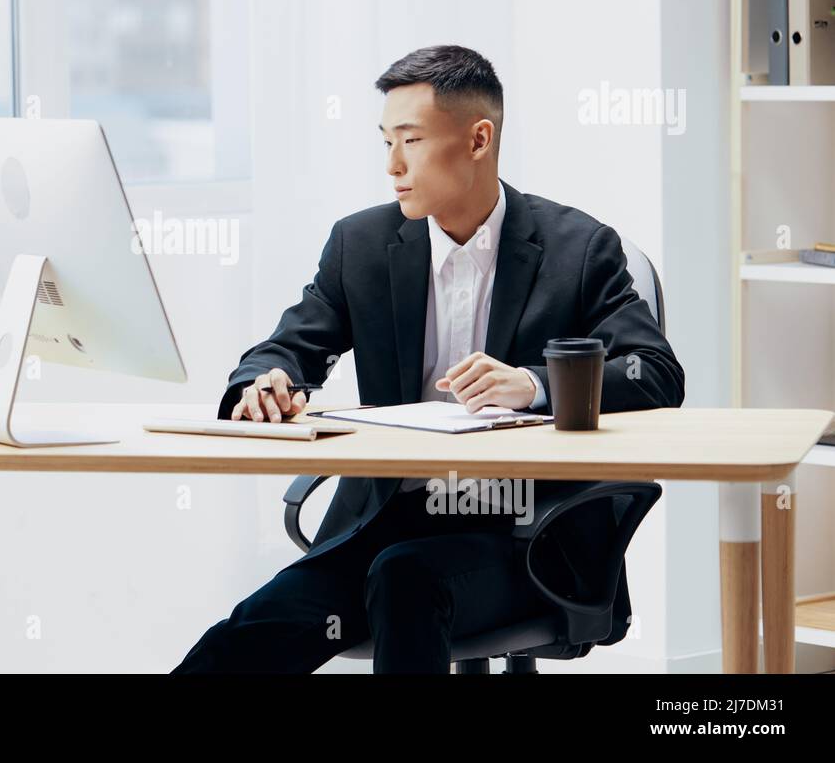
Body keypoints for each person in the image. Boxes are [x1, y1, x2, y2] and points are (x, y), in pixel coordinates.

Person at [171, 44, 685, 673]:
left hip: (527, 531)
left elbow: (654, 371)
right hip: (387, 520)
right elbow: (290, 346)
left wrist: (532, 385)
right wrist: (265, 381)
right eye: (385, 140)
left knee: (405, 578)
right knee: (248, 636)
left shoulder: (578, 249)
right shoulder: (360, 245)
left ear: (478, 139)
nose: (391, 165)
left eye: (410, 141)